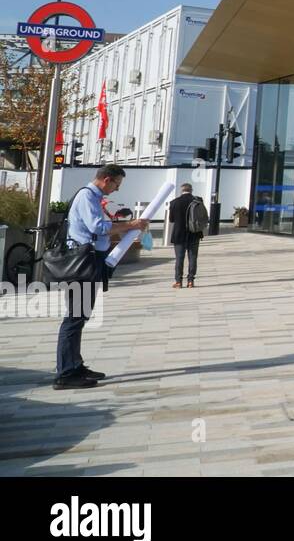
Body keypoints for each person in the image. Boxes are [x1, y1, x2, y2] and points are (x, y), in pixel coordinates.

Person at [54, 165, 148, 390]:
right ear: (107, 179)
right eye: (116, 184)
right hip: (83, 263)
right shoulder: (88, 196)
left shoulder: (92, 197)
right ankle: (66, 373)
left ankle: (75, 365)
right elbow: (97, 227)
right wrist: (130, 225)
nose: (116, 190)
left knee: (81, 315)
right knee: (75, 317)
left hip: (89, 261)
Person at [167, 183, 203, 288]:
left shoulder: (174, 202)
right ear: (191, 190)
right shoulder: (198, 201)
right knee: (193, 257)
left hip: (179, 234)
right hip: (194, 233)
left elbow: (171, 219)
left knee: (179, 258)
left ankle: (178, 281)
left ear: (181, 190)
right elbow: (202, 216)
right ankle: (191, 281)